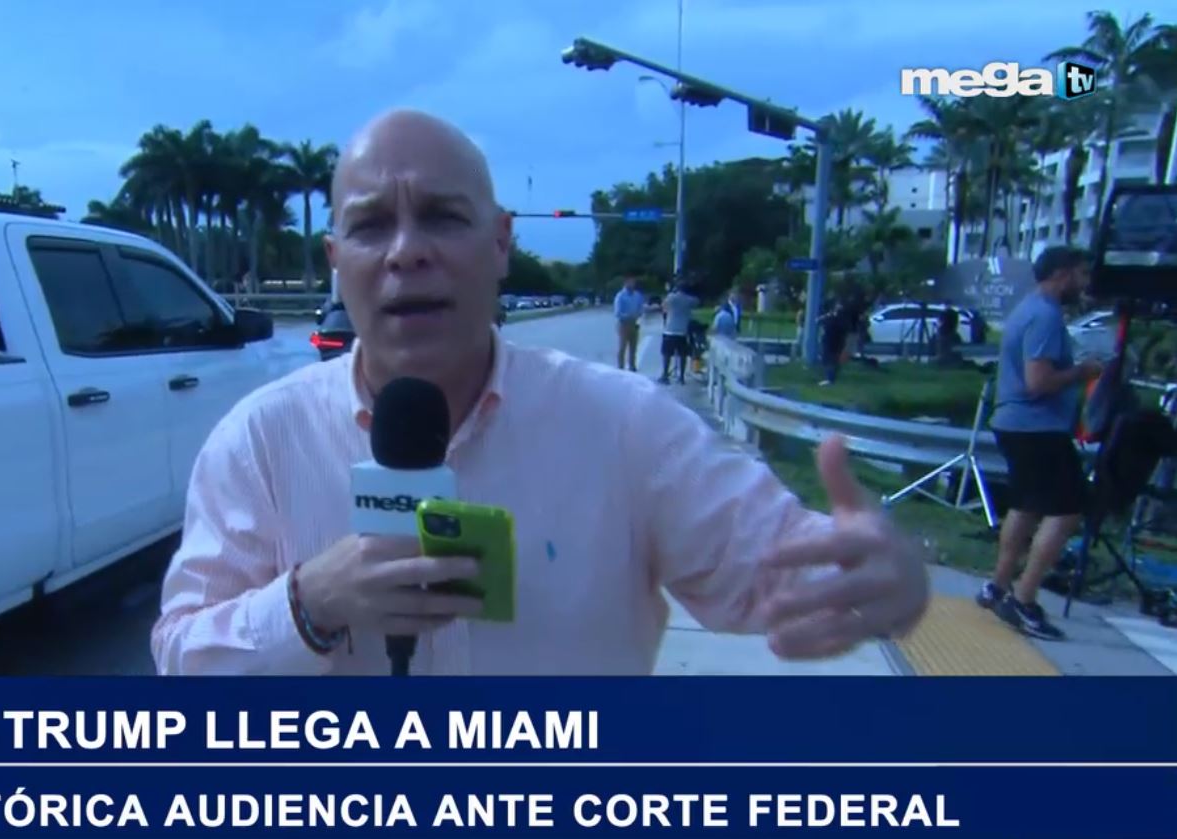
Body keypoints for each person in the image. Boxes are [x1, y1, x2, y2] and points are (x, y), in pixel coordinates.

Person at [149, 108, 929, 676]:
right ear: (334, 258)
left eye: (442, 217)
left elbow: (781, 578)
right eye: (370, 226)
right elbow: (183, 663)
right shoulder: (259, 441)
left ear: (500, 243)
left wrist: (880, 576)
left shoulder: (627, 428)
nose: (407, 251)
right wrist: (308, 605)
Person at [979, 245, 1101, 641]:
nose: (1084, 284)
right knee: (1068, 509)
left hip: (1017, 424)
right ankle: (1024, 597)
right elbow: (1038, 382)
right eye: (1081, 275)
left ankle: (998, 585)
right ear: (1062, 274)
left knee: (1027, 504)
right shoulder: (1046, 316)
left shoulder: (1028, 309)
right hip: (1037, 426)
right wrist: (1083, 371)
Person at [659, 282, 698, 385]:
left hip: (670, 330)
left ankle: (665, 375)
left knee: (667, 354)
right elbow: (696, 302)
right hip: (682, 331)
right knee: (682, 355)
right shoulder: (689, 300)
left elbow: (663, 306)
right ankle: (681, 377)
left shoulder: (671, 297)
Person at [612, 276, 646, 371]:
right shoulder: (620, 295)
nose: (632, 284)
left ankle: (632, 365)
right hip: (624, 323)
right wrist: (629, 315)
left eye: (633, 282)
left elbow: (641, 308)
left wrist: (638, 314)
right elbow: (617, 312)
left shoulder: (638, 295)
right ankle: (620, 366)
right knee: (622, 346)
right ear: (625, 283)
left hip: (635, 322)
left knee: (634, 346)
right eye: (630, 282)